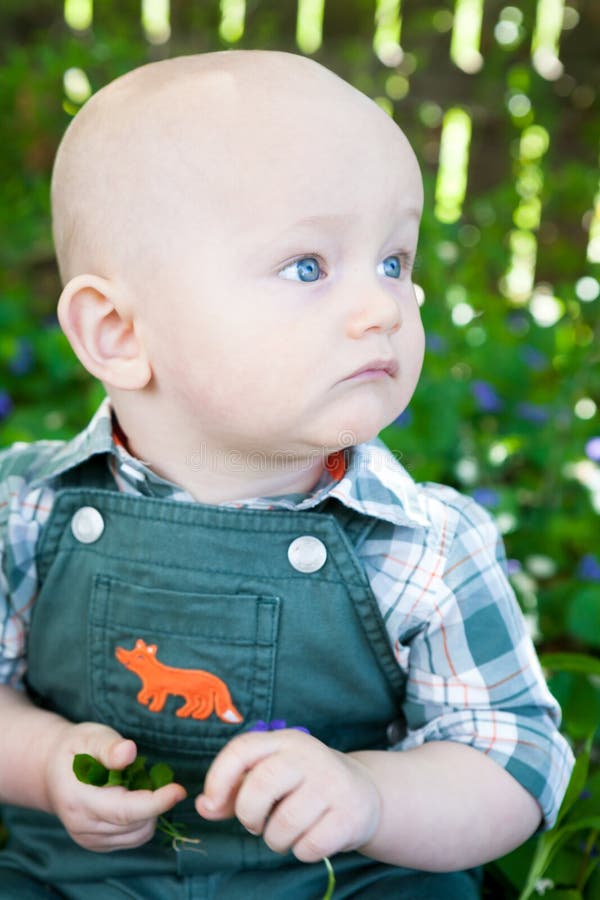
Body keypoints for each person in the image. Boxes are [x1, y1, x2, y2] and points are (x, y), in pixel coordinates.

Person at [0, 50, 573, 899]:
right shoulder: (26, 509)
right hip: (81, 882)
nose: (384, 306)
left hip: (349, 882)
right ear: (119, 332)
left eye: (394, 262)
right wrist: (45, 763)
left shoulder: (424, 545)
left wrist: (373, 796)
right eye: (307, 266)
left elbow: (514, 761)